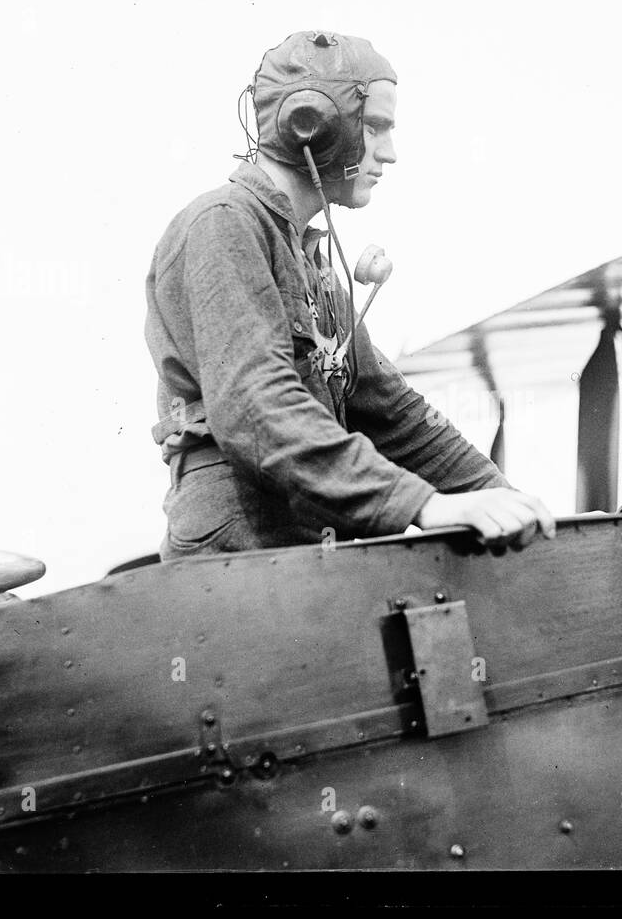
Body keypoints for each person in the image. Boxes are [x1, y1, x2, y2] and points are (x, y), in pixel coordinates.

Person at [144, 30, 555, 559]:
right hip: (242, 551)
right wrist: (424, 506)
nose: (390, 153)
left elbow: (393, 415)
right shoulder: (223, 224)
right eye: (375, 127)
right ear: (313, 126)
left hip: (300, 545)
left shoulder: (308, 259)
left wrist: (514, 507)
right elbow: (257, 407)